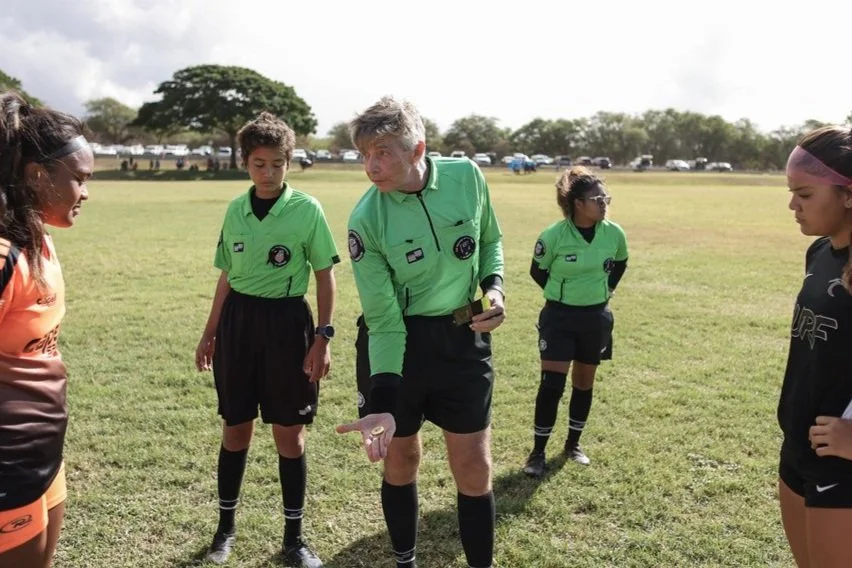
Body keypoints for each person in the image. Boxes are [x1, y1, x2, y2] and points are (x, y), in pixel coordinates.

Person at [336, 96, 505, 568]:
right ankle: (405, 561)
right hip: (395, 347)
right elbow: (385, 320)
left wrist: (494, 289)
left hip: (461, 339)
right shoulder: (365, 220)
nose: (372, 166)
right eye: (364, 154)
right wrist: (385, 403)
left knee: (474, 465)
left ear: (417, 149)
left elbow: (489, 238)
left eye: (383, 151)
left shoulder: (467, 177)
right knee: (401, 458)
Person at [195, 112, 339, 567]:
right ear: (245, 162)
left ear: (289, 163)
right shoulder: (235, 209)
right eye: (259, 163)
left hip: (287, 324)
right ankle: (224, 530)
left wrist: (323, 337)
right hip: (239, 324)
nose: (268, 172)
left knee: (289, 436)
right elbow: (226, 277)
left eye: (278, 163)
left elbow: (325, 276)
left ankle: (294, 538)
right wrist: (210, 332)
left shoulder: (307, 210)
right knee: (235, 429)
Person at [0, 91, 93, 568]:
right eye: (78, 179)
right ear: (37, 175)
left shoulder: (39, 239)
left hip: (42, 444)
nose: (86, 193)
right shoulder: (5, 257)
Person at [522, 166, 628, 478]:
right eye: (597, 198)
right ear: (577, 203)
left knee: (584, 383)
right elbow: (537, 271)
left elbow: (621, 263)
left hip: (596, 318)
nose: (604, 202)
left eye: (605, 197)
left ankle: (573, 444)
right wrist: (562, 295)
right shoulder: (553, 235)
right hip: (559, 317)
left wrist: (606, 290)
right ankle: (537, 452)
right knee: (551, 385)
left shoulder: (614, 233)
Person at [777, 125, 852, 568]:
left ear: (847, 194)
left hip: (841, 466)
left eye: (804, 194)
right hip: (796, 448)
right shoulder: (820, 252)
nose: (792, 205)